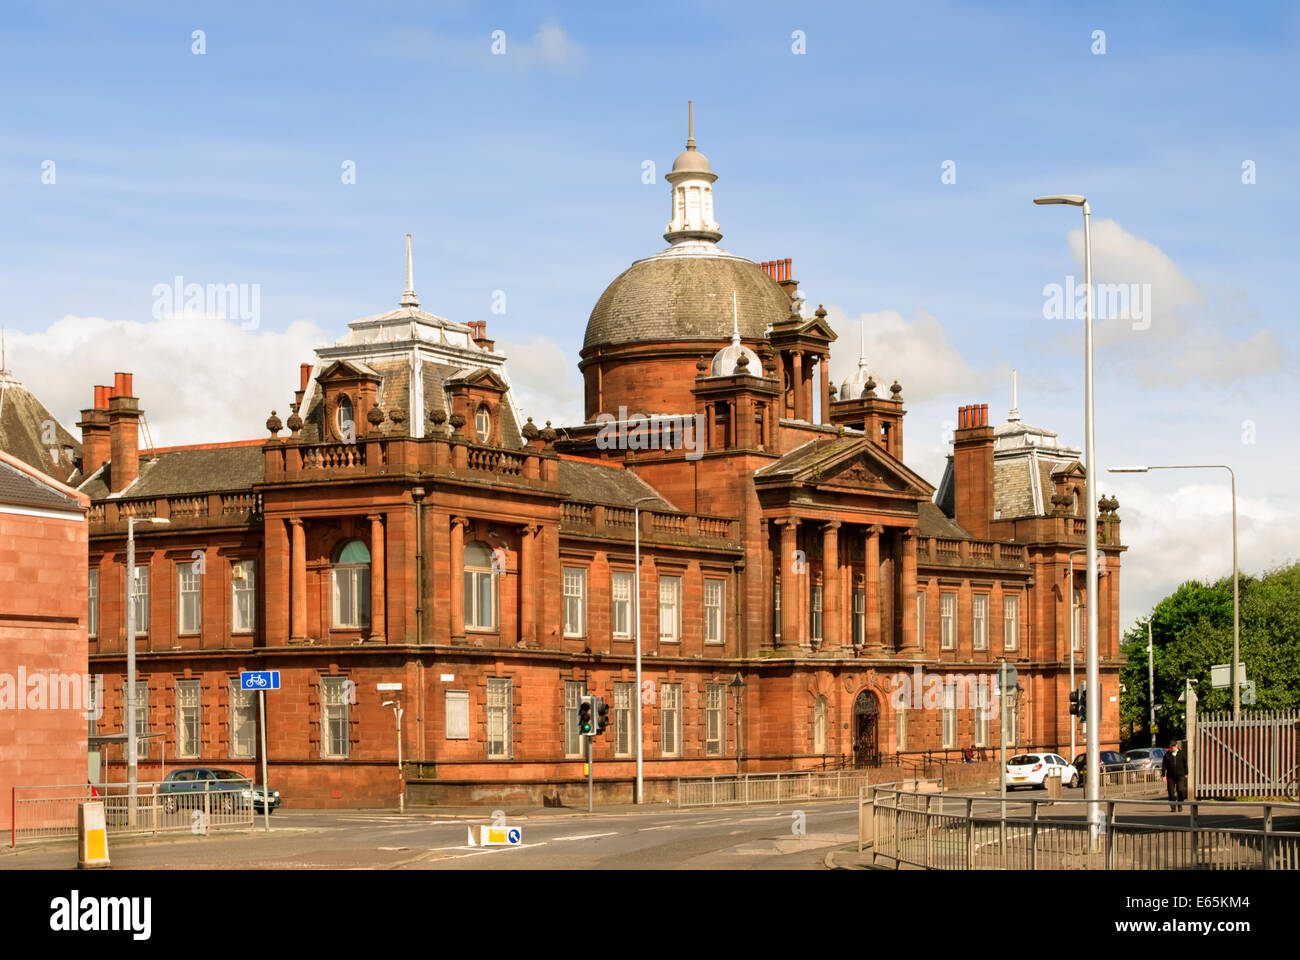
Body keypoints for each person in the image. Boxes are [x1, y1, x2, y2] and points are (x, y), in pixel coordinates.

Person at [1161, 740, 1188, 812]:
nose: (1173, 747)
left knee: (1181, 790)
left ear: (1176, 746)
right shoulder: (1167, 755)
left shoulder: (1181, 753)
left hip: (1180, 775)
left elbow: (1185, 763)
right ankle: (1173, 807)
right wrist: (1163, 775)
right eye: (1171, 746)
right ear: (1170, 747)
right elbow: (1164, 765)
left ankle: (1180, 804)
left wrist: (1186, 773)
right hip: (1170, 776)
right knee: (1171, 792)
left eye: (1174, 746)